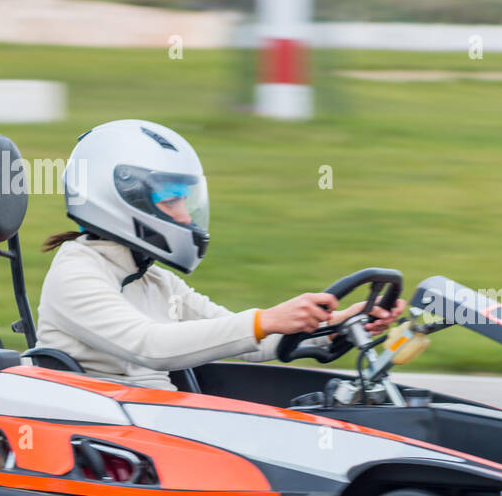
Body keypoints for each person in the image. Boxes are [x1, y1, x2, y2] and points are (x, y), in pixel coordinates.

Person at [34, 119, 401, 390]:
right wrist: (265, 319)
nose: (186, 216)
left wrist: (339, 324)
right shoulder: (76, 271)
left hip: (149, 422)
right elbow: (149, 346)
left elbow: (246, 343)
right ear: (124, 201)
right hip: (101, 436)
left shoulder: (152, 277)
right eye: (173, 200)